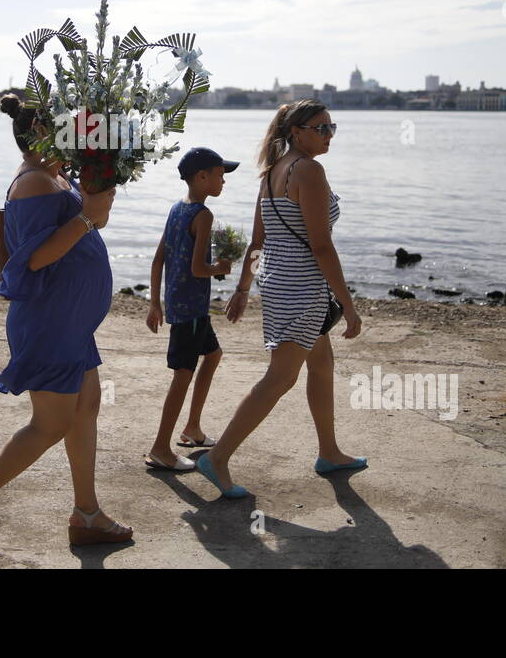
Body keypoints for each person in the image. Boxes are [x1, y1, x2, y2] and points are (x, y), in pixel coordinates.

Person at [0, 93, 132, 563]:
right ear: (45, 133)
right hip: (50, 321)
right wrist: (89, 217)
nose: (77, 134)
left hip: (70, 322)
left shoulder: (53, 175)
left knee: (85, 410)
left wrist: (93, 200)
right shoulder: (35, 183)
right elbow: (37, 258)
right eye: (67, 128)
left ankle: (87, 514)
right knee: (51, 423)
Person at [195, 100, 366, 499]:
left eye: (332, 127)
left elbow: (259, 242)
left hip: (278, 284)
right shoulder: (308, 170)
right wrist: (350, 305)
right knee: (281, 377)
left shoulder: (271, 173)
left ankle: (329, 451)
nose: (328, 135)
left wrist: (243, 289)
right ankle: (217, 457)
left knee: (321, 366)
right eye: (320, 128)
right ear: (296, 132)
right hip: (302, 288)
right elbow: (322, 246)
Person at [144, 147, 240, 471]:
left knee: (212, 356)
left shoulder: (176, 208)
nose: (223, 181)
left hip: (182, 305)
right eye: (219, 174)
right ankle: (160, 448)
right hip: (191, 311)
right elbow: (199, 269)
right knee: (182, 376)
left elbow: (160, 259)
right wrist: (222, 266)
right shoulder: (203, 214)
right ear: (201, 177)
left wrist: (155, 302)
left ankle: (192, 429)